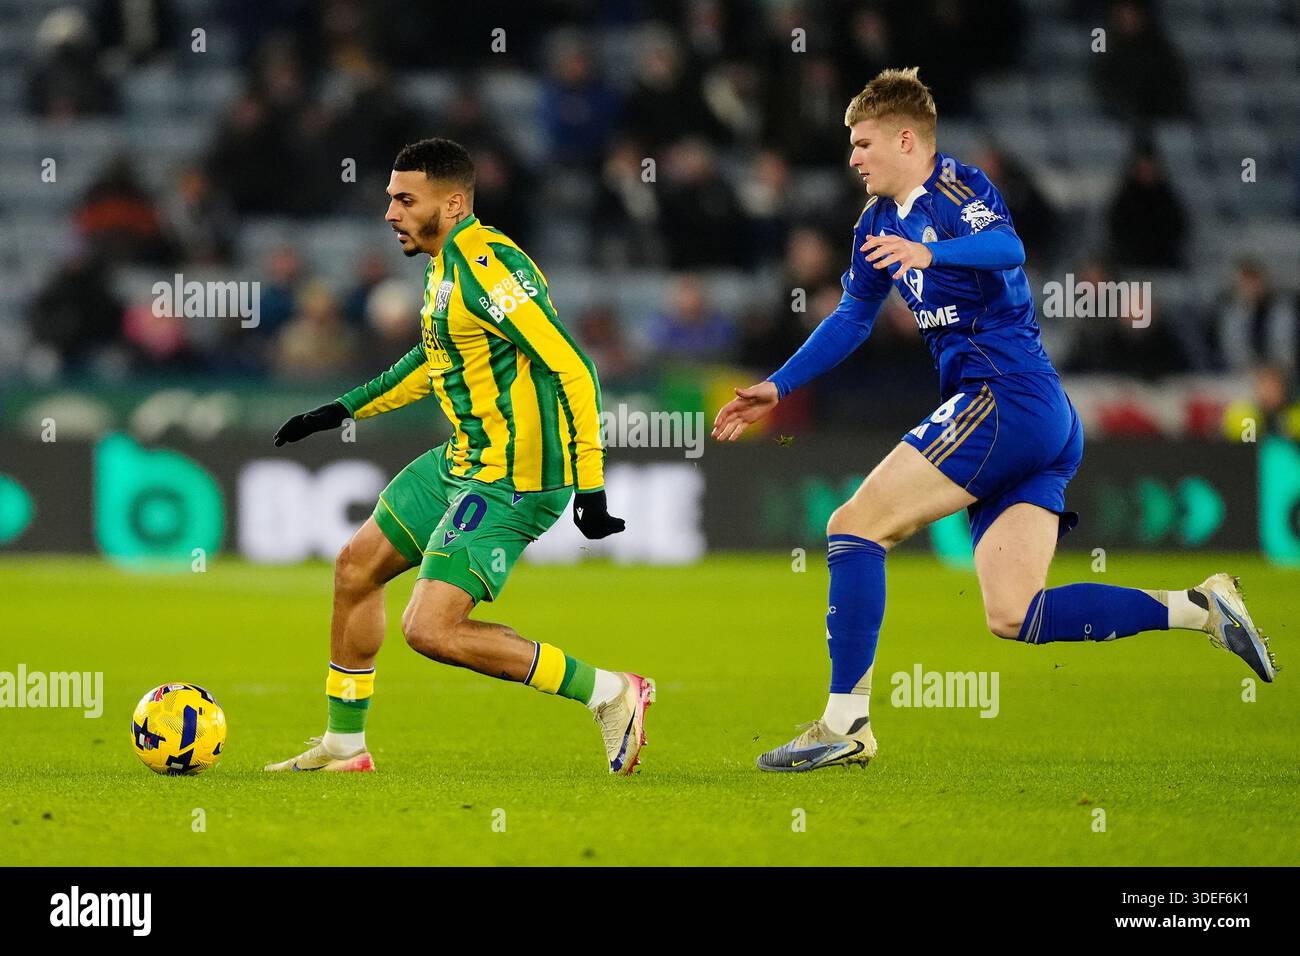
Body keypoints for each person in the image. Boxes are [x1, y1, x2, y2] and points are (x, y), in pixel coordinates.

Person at [712, 68, 1277, 774]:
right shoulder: (876, 224)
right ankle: (1201, 609)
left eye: (862, 143)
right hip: (1036, 419)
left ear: (906, 138)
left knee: (853, 526)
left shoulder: (958, 188)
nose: (852, 157)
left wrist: (932, 252)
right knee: (1015, 613)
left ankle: (845, 722)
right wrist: (777, 383)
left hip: (1004, 396)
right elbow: (854, 316)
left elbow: (1009, 249)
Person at [267, 139, 654, 776]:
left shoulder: (488, 271)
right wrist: (340, 411)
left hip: (516, 477)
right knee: (355, 570)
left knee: (431, 630)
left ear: (451, 203)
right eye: (390, 197)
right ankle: (343, 746)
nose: (389, 211)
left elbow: (574, 368)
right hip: (463, 460)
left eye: (404, 199)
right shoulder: (444, 265)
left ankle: (611, 693)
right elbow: (430, 361)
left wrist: (591, 487)